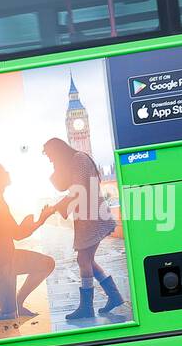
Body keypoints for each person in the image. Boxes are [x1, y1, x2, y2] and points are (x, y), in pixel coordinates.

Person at [42, 137, 124, 320]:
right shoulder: (73, 161)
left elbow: (78, 189)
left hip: (92, 217)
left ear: (58, 150)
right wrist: (57, 169)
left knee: (83, 260)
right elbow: (64, 186)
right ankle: (114, 296)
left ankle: (87, 307)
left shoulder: (78, 158)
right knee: (87, 260)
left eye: (50, 155)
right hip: (87, 216)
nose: (50, 159)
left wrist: (56, 207)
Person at [0, 163, 55, 319]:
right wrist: (39, 221)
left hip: (9, 258)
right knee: (9, 316)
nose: (8, 172)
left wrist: (36, 222)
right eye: (4, 171)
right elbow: (18, 234)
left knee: (47, 264)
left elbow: (14, 232)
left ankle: (18, 302)